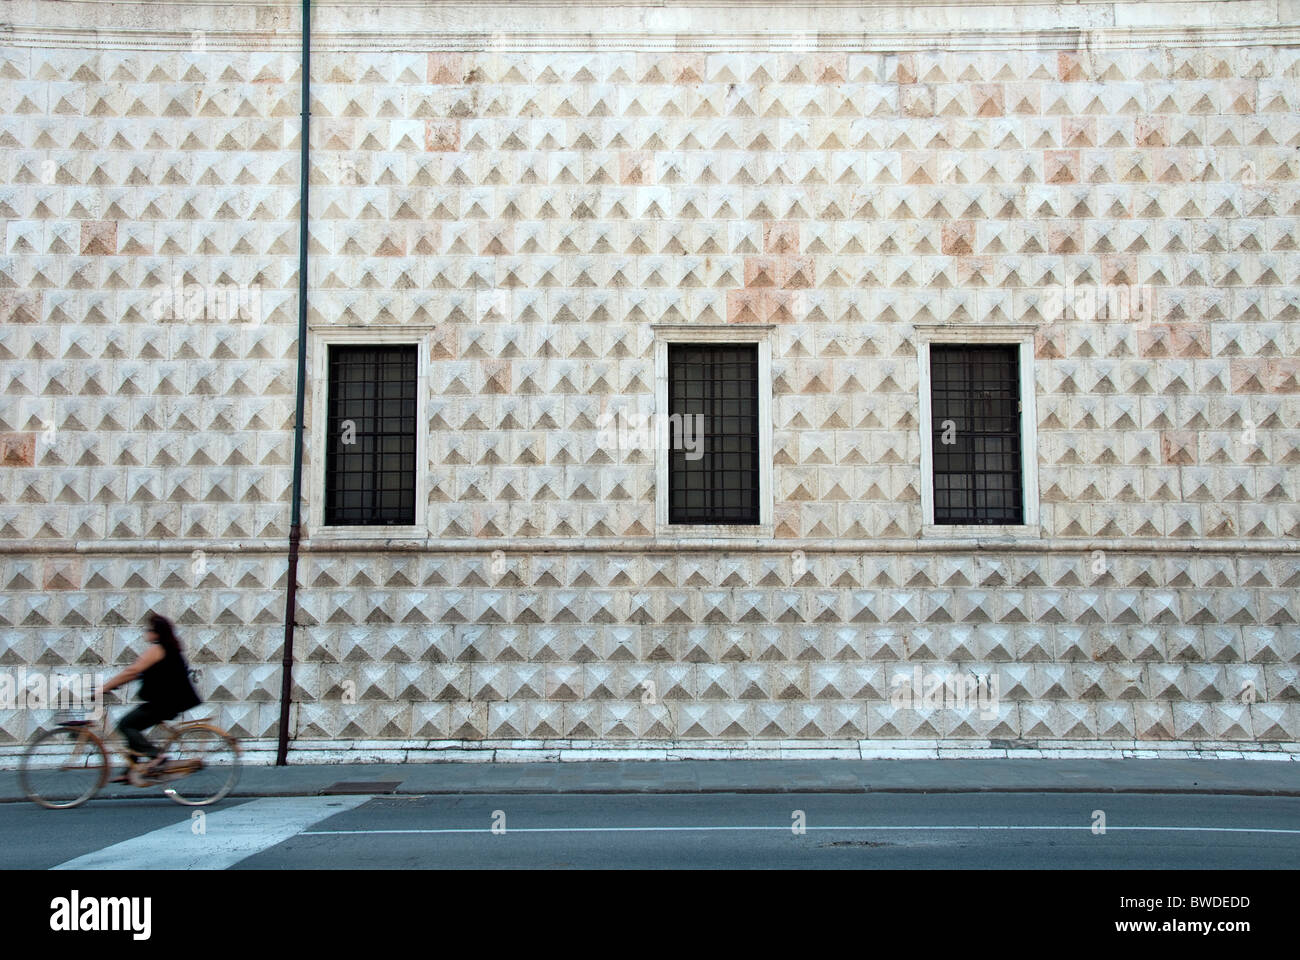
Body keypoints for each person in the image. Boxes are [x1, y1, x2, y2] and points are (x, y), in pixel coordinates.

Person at [98, 613, 202, 784]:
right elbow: (135, 672)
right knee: (134, 726)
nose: (146, 632)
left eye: (149, 630)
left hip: (164, 703)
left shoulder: (158, 649)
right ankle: (131, 771)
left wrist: (106, 687)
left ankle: (157, 756)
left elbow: (131, 671)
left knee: (126, 725)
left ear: (157, 633)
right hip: (169, 701)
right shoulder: (168, 648)